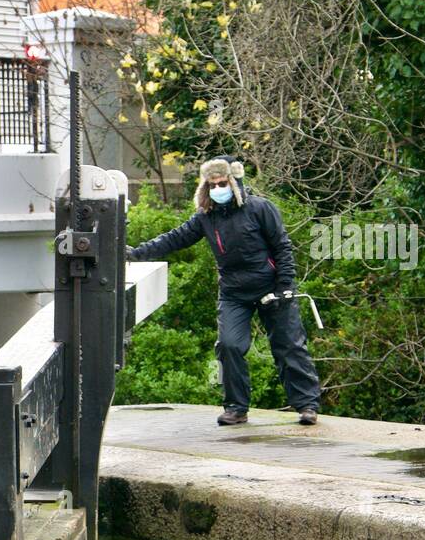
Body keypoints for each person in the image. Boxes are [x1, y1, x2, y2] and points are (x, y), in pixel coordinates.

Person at [126, 157, 322, 426]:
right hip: (233, 292)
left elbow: (282, 246)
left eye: (222, 182)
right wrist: (136, 254)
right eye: (213, 184)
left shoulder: (260, 208)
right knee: (229, 345)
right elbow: (175, 238)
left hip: (272, 287)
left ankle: (307, 405)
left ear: (233, 182)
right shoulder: (206, 217)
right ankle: (236, 407)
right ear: (206, 187)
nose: (218, 188)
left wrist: (285, 286)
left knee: (288, 346)